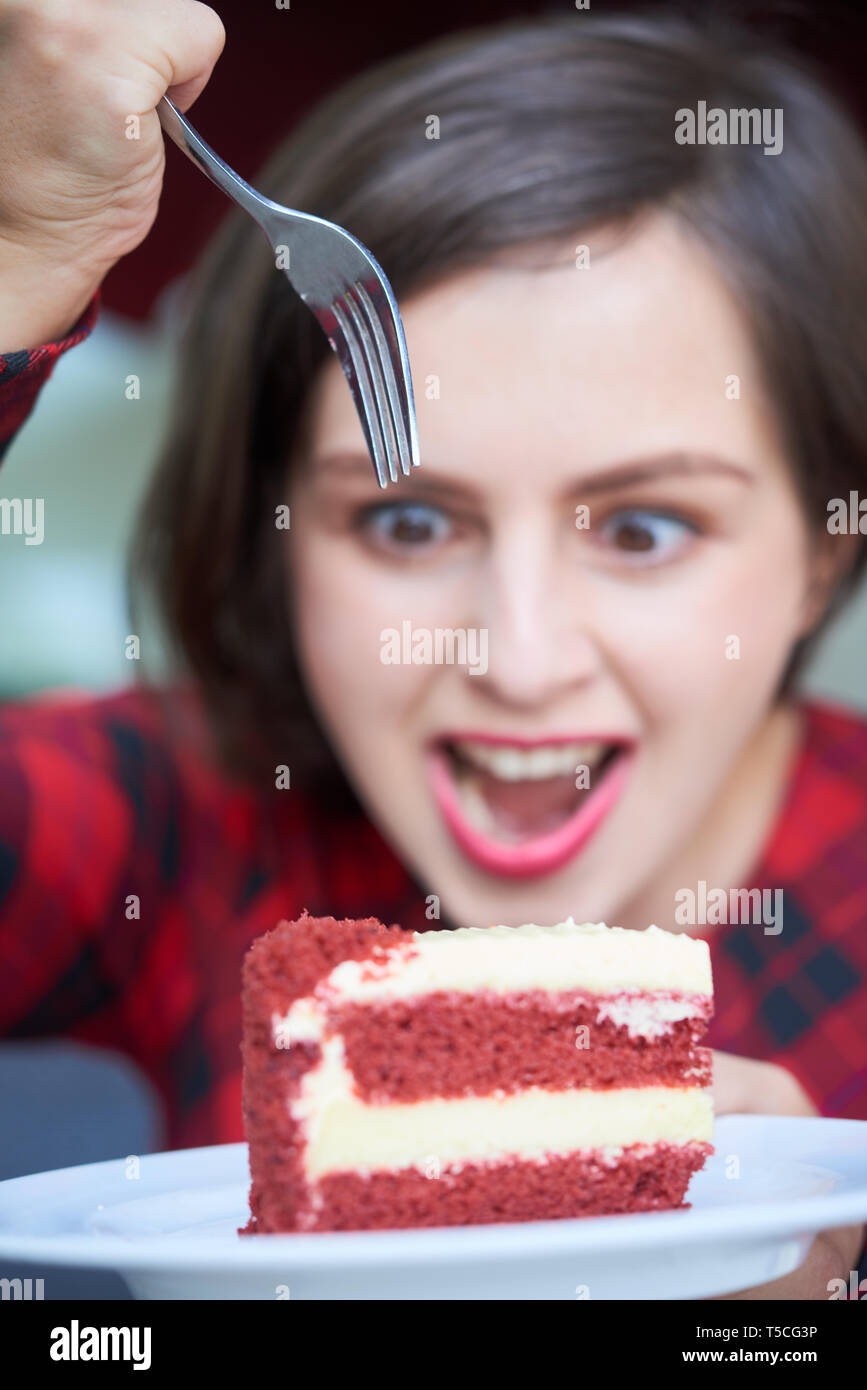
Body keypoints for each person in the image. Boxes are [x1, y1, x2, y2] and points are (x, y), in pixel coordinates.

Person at [0, 0, 865, 1298]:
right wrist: (17, 262)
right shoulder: (183, 811)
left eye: (642, 526)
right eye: (405, 519)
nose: (518, 660)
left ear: (822, 551)